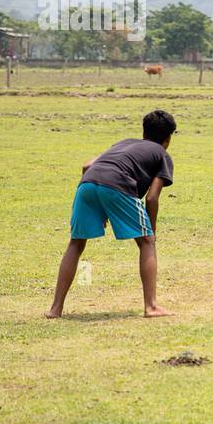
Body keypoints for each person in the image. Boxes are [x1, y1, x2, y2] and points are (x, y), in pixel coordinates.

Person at [47, 109, 176, 318]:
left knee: (76, 242)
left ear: (143, 132)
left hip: (87, 183)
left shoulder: (123, 142)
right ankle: (151, 306)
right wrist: (150, 232)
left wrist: (98, 206)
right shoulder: (162, 154)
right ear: (169, 138)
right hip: (117, 185)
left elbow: (87, 165)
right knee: (146, 242)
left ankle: (55, 309)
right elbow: (152, 198)